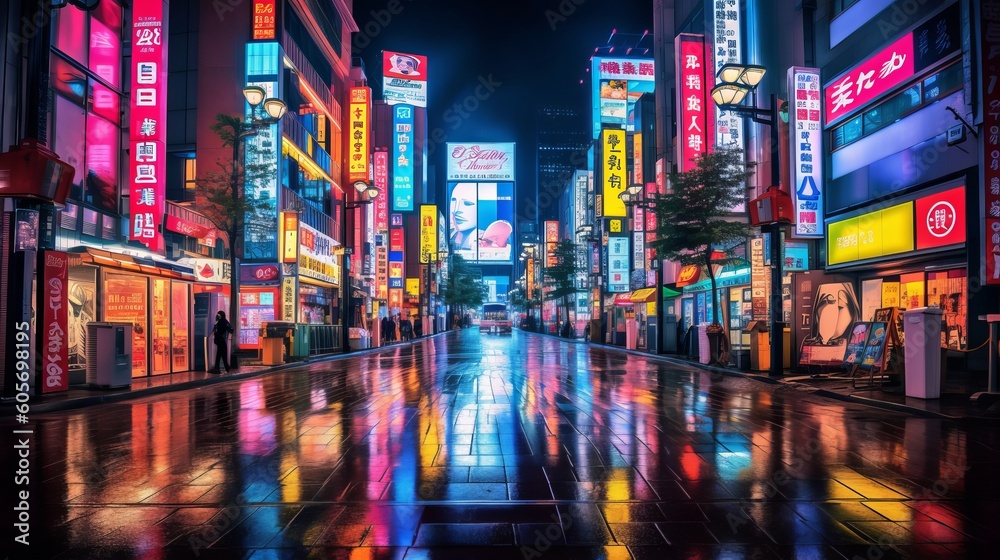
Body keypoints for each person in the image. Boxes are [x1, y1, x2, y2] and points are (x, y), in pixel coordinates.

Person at [449, 183, 482, 253]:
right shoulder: (451, 233)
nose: (456, 210)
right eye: (453, 201)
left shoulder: (485, 239)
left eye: (467, 203)